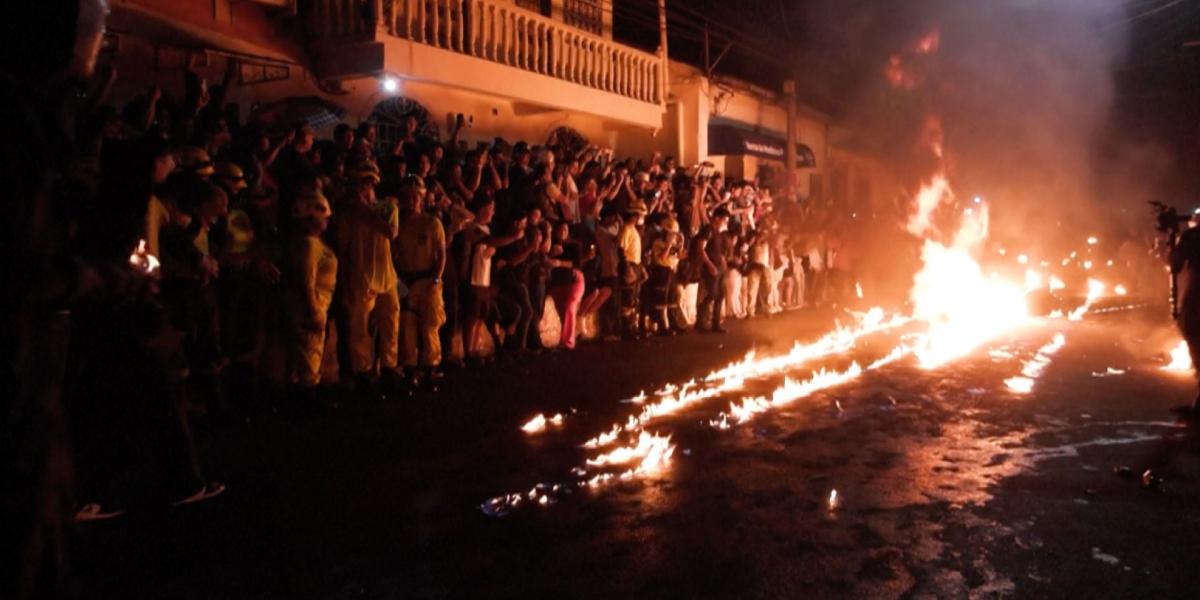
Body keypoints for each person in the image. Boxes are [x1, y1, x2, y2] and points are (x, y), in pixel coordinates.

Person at [336, 164, 400, 391]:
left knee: (390, 322)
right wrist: (343, 279)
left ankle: (389, 369)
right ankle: (363, 374)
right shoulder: (346, 214)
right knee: (359, 329)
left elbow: (391, 232)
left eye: (370, 182)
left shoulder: (385, 208)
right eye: (363, 182)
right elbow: (343, 248)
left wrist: (365, 210)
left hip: (386, 276)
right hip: (360, 276)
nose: (366, 187)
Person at [283, 189, 337, 403]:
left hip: (309, 304)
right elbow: (307, 280)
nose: (326, 221)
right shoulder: (308, 245)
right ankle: (308, 398)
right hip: (310, 306)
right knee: (309, 352)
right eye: (323, 217)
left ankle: (303, 394)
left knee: (305, 353)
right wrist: (314, 310)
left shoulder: (306, 242)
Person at [393, 175, 447, 386]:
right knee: (407, 325)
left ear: (422, 198)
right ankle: (409, 369)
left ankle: (431, 367)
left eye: (416, 196)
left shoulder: (432, 223)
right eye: (408, 196)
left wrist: (436, 278)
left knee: (430, 325)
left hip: (428, 279)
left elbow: (441, 253)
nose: (412, 200)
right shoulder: (398, 224)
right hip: (407, 280)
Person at [1170, 223, 1200, 415]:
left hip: (1198, 297)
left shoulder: (1194, 236)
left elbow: (1175, 264)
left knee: (1196, 338)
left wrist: (1172, 246)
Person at [696, 208, 732, 333]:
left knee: (720, 294)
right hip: (711, 268)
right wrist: (710, 265)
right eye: (724, 220)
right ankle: (700, 322)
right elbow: (701, 249)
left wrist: (723, 262)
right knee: (711, 294)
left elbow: (720, 251)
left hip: (719, 267)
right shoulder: (708, 230)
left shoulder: (718, 232)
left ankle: (715, 323)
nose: (725, 223)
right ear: (716, 217)